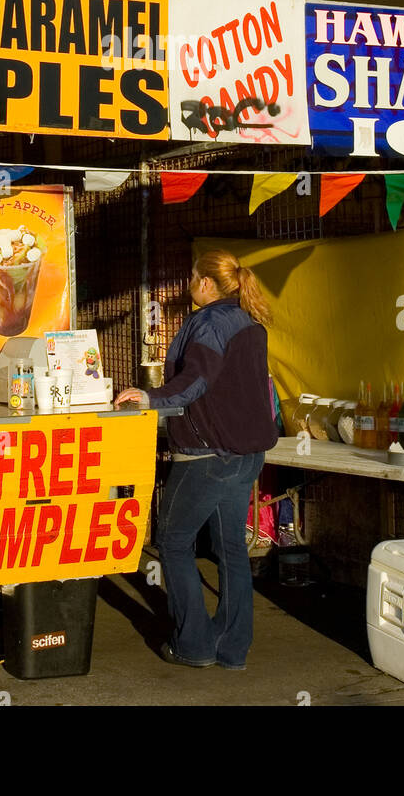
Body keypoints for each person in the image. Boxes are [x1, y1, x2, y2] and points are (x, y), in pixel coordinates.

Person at [115, 250, 277, 671]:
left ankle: (195, 645)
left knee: (172, 542)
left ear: (206, 283)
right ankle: (232, 647)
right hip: (247, 455)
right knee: (231, 551)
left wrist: (149, 397)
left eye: (191, 276)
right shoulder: (248, 321)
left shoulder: (208, 322)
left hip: (208, 455)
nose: (188, 282)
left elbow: (196, 380)